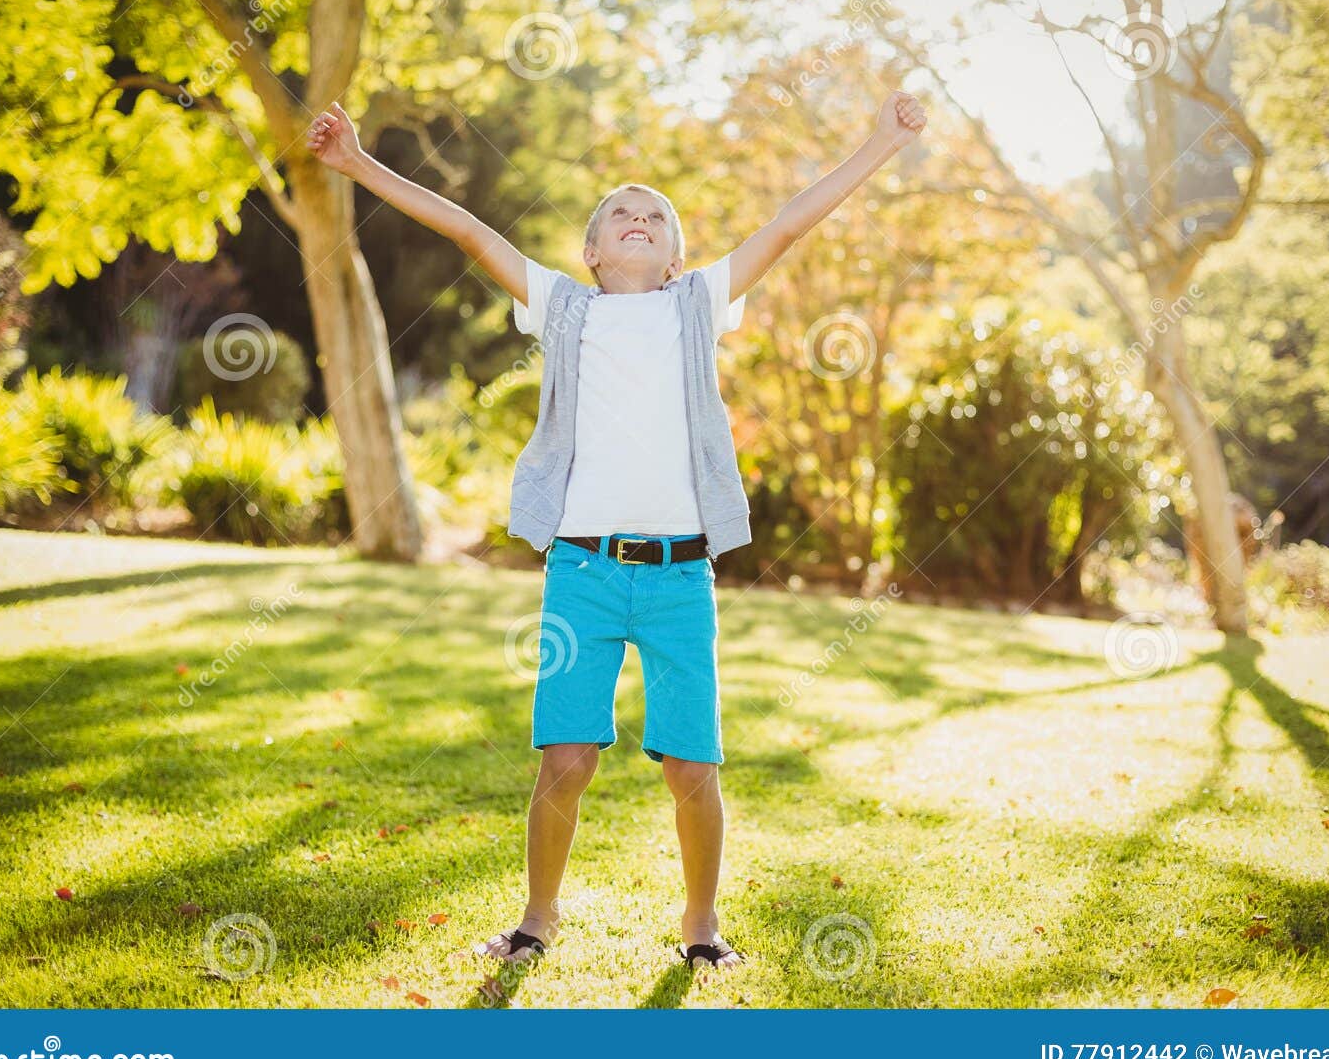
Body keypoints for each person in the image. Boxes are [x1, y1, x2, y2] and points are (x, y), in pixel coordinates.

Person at [307, 89, 927, 970]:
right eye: (620, 214)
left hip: (680, 577)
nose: (640, 219)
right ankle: (536, 920)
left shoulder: (698, 304)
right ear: (592, 251)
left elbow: (788, 226)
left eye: (657, 216)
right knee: (564, 758)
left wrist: (881, 141)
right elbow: (471, 232)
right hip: (583, 574)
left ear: (675, 255)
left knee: (692, 767)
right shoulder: (562, 306)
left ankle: (702, 927)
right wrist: (358, 166)